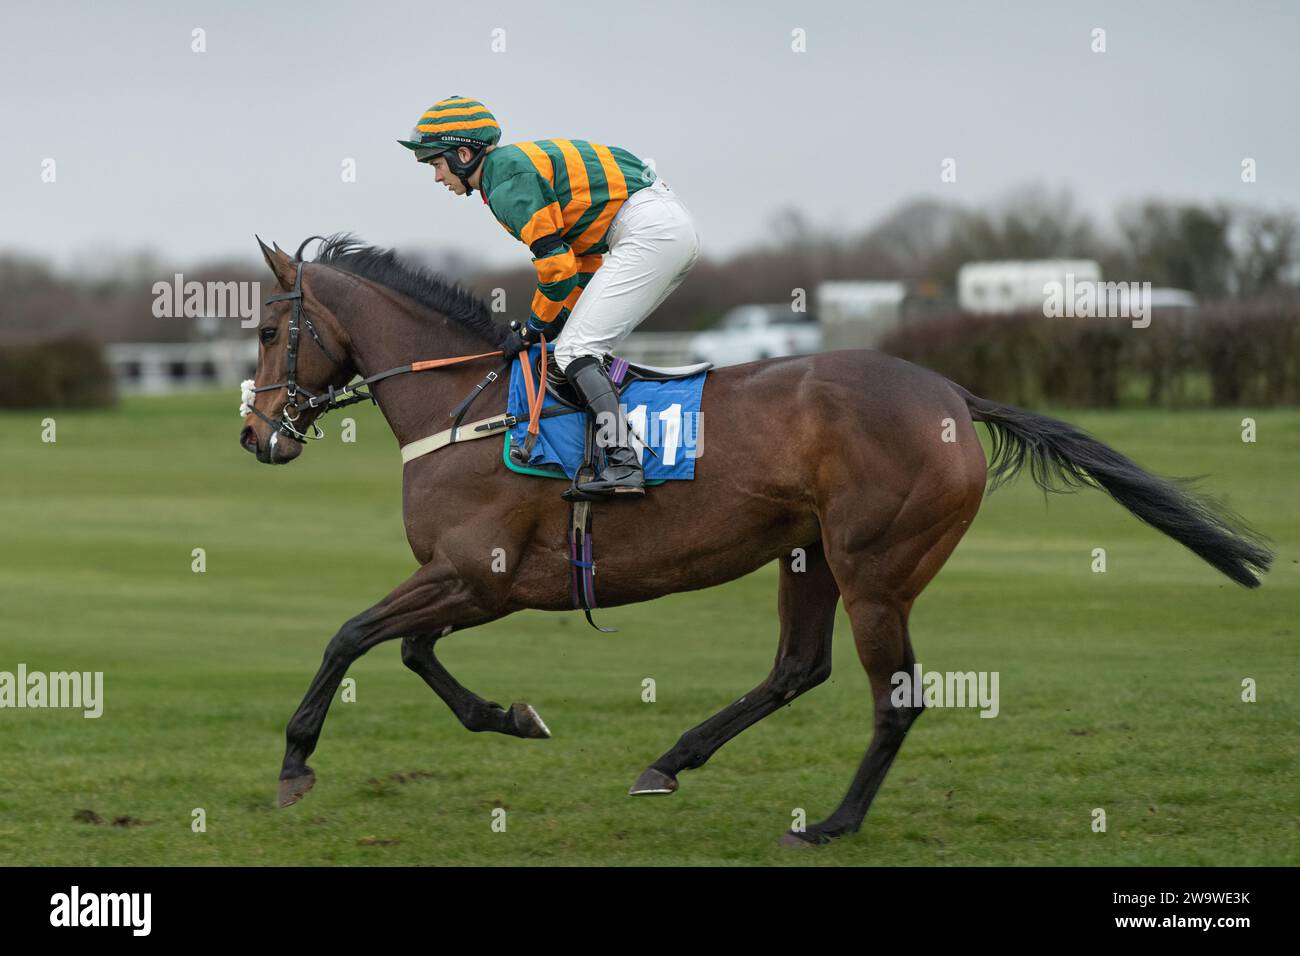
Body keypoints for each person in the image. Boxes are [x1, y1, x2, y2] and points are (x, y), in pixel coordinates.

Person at [398, 96, 701, 497]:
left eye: (436, 164)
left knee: (575, 352)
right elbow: (582, 263)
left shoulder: (505, 180)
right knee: (574, 346)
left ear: (464, 153)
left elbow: (556, 270)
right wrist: (554, 323)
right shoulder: (510, 171)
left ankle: (625, 466)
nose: (437, 177)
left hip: (649, 231)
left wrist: (533, 328)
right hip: (657, 228)